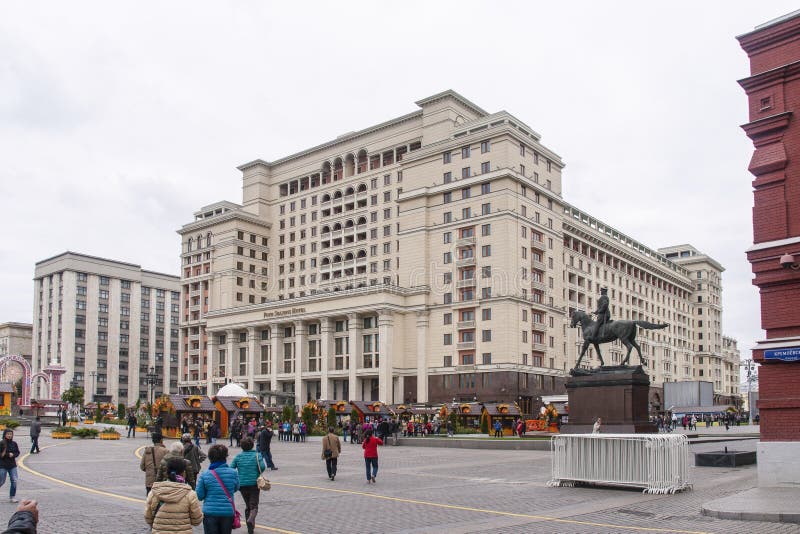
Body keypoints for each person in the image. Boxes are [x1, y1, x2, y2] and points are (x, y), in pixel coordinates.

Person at [145, 457, 203, 534]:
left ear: (167, 472)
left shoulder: (155, 492)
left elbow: (148, 518)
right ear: (183, 473)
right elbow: (196, 520)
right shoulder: (190, 494)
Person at [196, 444, 240, 534]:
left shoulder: (205, 474)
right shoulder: (233, 473)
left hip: (210, 513)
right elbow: (236, 488)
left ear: (210, 458)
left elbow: (199, 496)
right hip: (227, 512)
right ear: (225, 457)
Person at [231, 437, 266, 534]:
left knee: (248, 505)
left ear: (241, 446)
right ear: (252, 445)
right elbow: (262, 467)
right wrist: (257, 472)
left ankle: (250, 529)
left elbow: (231, 468)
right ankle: (251, 519)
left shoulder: (238, 457)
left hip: (242, 485)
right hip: (254, 484)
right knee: (254, 505)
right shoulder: (257, 455)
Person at [0, 430, 20, 503]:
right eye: (8, 434)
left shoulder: (14, 443)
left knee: (14, 480)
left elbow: (17, 452)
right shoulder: (2, 443)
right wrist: (8, 454)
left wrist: (13, 455)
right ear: (5, 434)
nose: (9, 435)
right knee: (1, 481)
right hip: (3, 465)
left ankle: (12, 496)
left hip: (12, 465)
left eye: (11, 434)